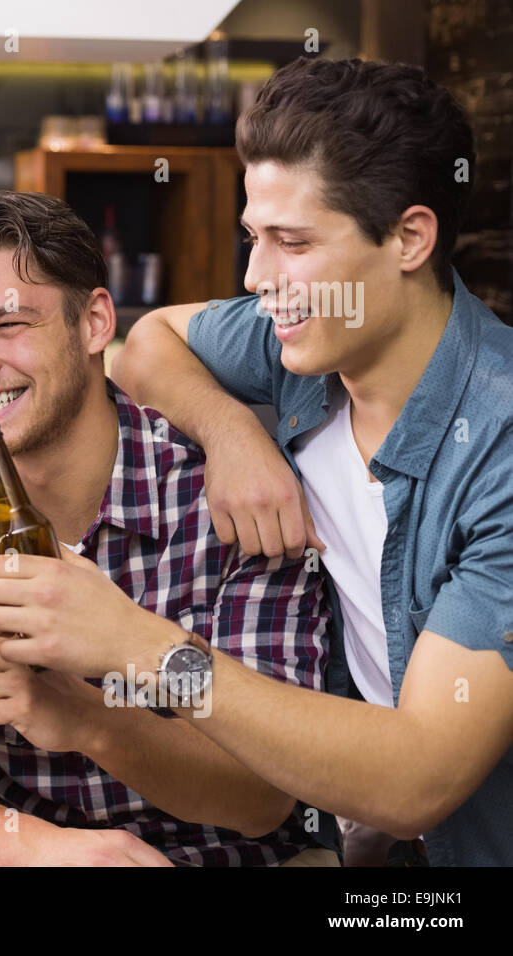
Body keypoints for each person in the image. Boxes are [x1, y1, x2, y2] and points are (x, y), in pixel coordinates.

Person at [0, 190, 335, 866]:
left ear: (94, 323)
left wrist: (89, 720)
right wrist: (33, 849)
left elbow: (266, 795)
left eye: (7, 324)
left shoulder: (225, 499)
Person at [110, 57, 513, 867]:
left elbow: (420, 779)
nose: (258, 279)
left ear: (409, 237)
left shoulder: (500, 445)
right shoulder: (306, 338)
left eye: (292, 242)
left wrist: (133, 645)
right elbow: (143, 345)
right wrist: (231, 433)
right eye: (254, 238)